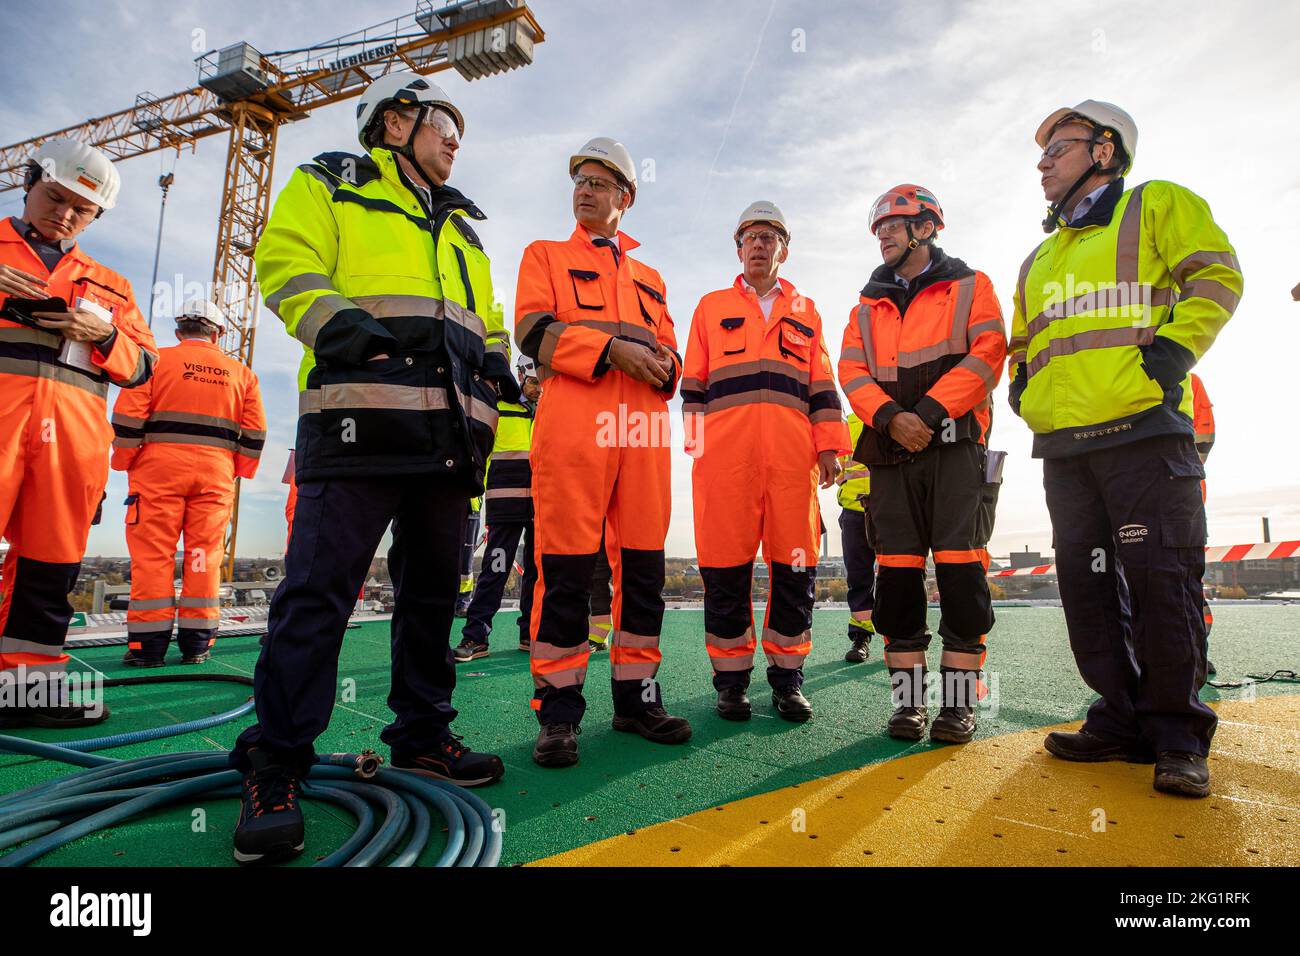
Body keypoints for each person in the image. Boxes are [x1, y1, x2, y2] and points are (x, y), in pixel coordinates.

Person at [229, 72, 516, 863]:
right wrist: (340, 327)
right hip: (355, 429)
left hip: (448, 444)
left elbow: (483, 319)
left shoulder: (464, 229)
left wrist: (498, 369)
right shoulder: (332, 181)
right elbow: (284, 263)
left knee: (430, 597)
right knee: (318, 593)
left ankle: (423, 735)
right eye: (441, 122)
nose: (456, 139)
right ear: (394, 122)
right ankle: (277, 762)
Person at [1009, 101, 1241, 797]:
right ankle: (1119, 719)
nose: (1044, 161)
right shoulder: (1040, 256)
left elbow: (1218, 276)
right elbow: (1025, 343)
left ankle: (1176, 736)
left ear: (1104, 151)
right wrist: (1023, 392)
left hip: (1143, 433)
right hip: (1064, 448)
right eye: (1042, 152)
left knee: (1160, 583)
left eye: (1060, 147)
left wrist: (1168, 355)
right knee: (1086, 589)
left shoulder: (1156, 205)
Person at [515, 136, 691, 768]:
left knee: (642, 574)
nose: (584, 191)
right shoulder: (545, 256)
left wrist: (664, 365)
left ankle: (636, 699)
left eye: (597, 182)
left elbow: (672, 354)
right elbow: (533, 331)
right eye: (579, 181)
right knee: (563, 574)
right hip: (574, 431)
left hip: (642, 438)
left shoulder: (652, 278)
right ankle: (558, 713)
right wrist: (612, 352)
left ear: (626, 197)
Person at [838, 184, 1006, 744]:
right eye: (879, 226)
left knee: (962, 577)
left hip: (956, 450)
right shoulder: (866, 306)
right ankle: (909, 705)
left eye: (894, 224)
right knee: (898, 582)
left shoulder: (971, 286)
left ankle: (958, 707)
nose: (883, 234)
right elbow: (852, 372)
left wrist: (927, 414)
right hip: (891, 457)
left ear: (926, 227)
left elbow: (988, 354)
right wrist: (890, 418)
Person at [0, 138, 157, 728]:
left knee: (50, 565)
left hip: (72, 442)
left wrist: (104, 336)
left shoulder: (110, 285)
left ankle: (26, 690)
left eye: (81, 209)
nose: (65, 214)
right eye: (55, 197)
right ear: (29, 180)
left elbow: (145, 367)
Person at [682, 201, 849, 721]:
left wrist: (828, 447)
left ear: (784, 249)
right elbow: (693, 385)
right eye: (750, 236)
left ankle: (787, 679)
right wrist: (700, 450)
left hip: (790, 465)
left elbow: (823, 385)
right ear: (738, 247)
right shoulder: (710, 307)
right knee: (725, 572)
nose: (759, 244)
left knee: (794, 570)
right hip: (725, 466)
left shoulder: (807, 312)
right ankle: (730, 683)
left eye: (769, 236)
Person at [110, 299, 265, 666]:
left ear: (179, 331)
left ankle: (147, 649)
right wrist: (236, 468)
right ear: (218, 333)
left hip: (157, 472)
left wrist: (124, 461)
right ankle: (197, 645)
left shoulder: (155, 361)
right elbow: (255, 432)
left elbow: (128, 420)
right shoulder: (242, 373)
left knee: (152, 558)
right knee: (204, 558)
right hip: (215, 475)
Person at [455, 353, 539, 660]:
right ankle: (476, 636)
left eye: (541, 382)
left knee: (536, 570)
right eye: (532, 383)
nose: (537, 389)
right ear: (519, 376)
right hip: (505, 503)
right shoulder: (500, 406)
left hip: (541, 504)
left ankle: (530, 633)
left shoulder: (547, 408)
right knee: (496, 568)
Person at [837, 413, 876, 662]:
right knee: (858, 577)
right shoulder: (846, 425)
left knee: (899, 576)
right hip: (854, 512)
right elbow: (838, 472)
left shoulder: (896, 417)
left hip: (892, 508)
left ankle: (899, 638)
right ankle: (860, 636)